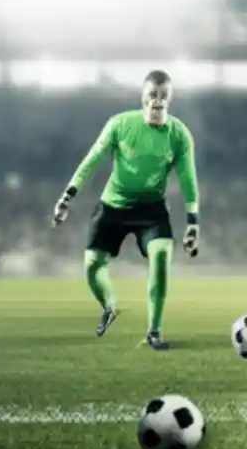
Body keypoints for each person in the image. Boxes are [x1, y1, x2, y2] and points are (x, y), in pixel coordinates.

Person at [52, 69, 201, 351]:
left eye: (163, 96)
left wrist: (194, 222)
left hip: (152, 210)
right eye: (152, 95)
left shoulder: (179, 135)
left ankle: (154, 331)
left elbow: (188, 179)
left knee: (161, 259)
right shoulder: (120, 125)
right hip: (113, 206)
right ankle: (109, 306)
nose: (157, 101)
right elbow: (92, 159)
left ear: (170, 99)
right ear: (142, 97)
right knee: (93, 264)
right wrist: (67, 197)